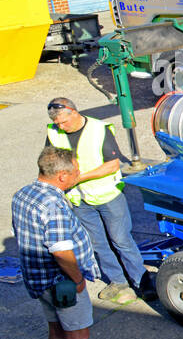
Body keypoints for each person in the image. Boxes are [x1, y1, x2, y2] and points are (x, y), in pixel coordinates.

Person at [11, 147, 121, 339]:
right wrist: (78, 279)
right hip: (63, 284)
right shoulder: (54, 204)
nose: (78, 174)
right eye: (76, 171)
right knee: (77, 335)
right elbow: (61, 251)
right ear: (61, 176)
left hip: (38, 279)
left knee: (56, 330)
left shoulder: (23, 193)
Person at [44, 96, 154, 304]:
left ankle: (142, 281)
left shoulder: (98, 129)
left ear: (74, 112)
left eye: (64, 122)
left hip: (107, 196)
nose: (61, 127)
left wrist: (78, 178)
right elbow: (50, 161)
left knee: (121, 240)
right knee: (98, 243)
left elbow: (112, 165)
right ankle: (117, 281)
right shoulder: (54, 132)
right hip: (79, 200)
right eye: (57, 123)